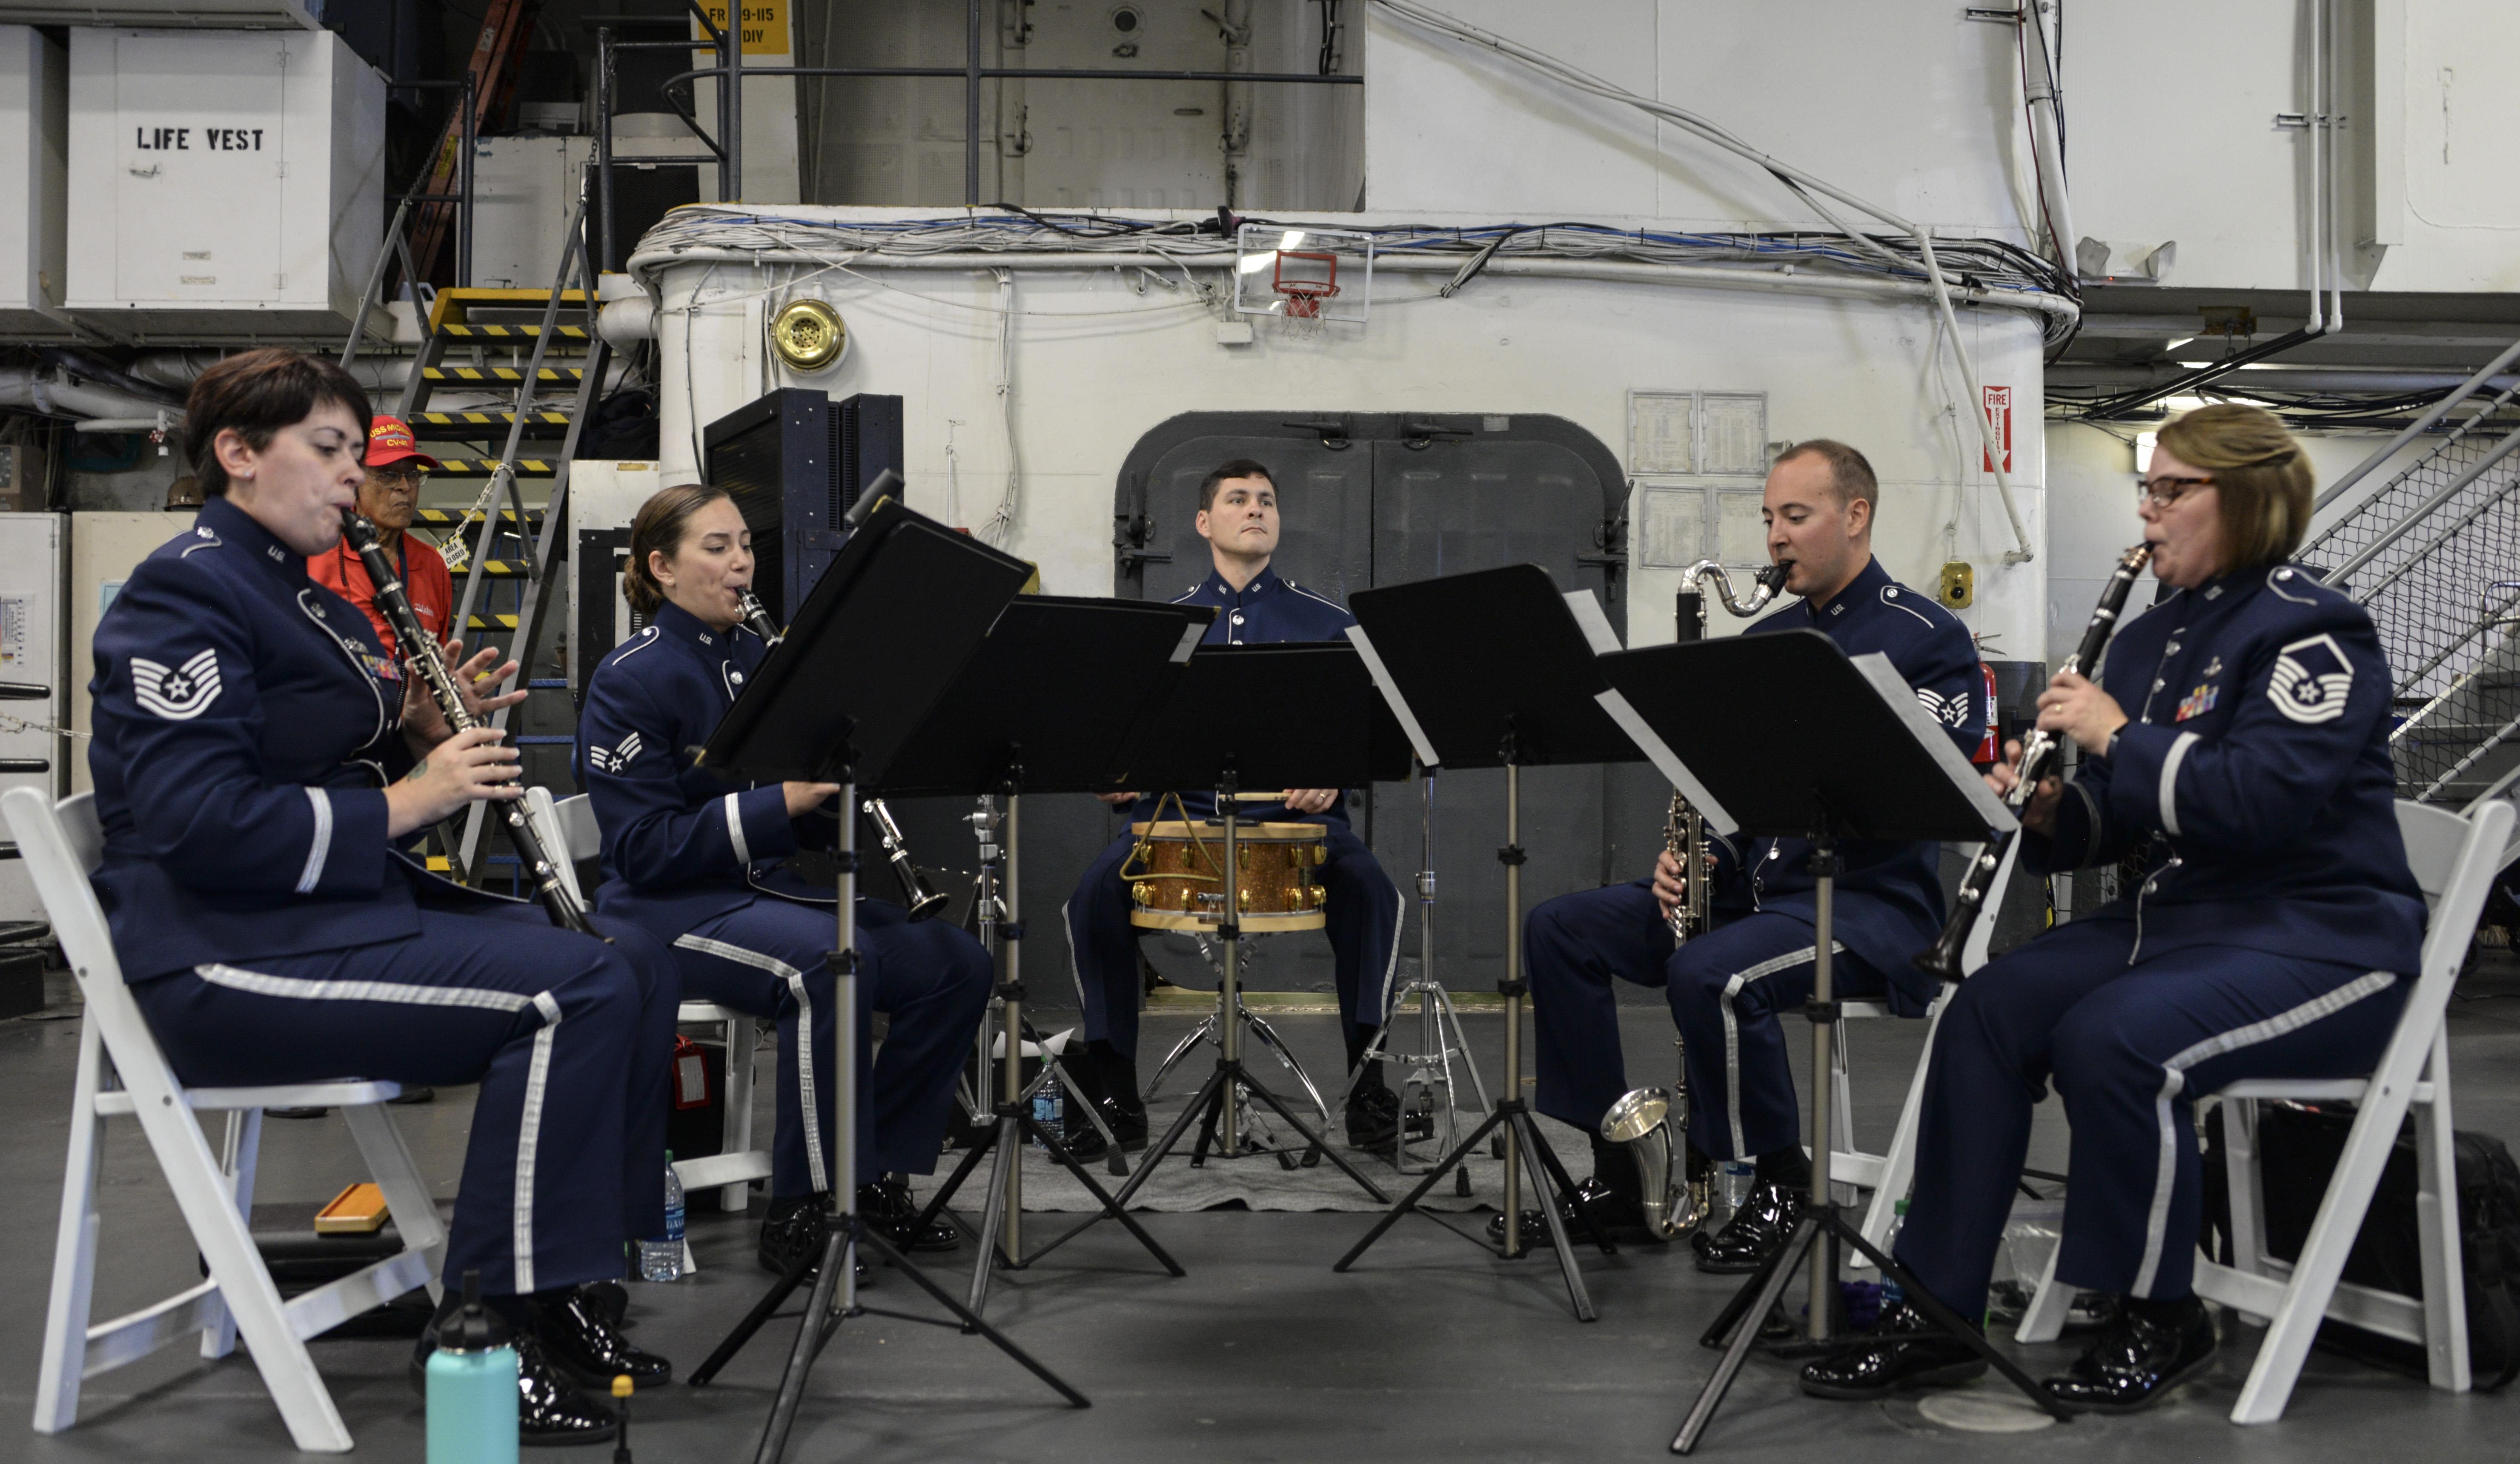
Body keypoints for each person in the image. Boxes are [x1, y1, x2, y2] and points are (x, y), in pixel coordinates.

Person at [89, 348, 677, 1444]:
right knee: (578, 990)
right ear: (238, 453)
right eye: (327, 453)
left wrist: (416, 720)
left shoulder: (294, 591)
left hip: (317, 917)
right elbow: (197, 820)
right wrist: (416, 795)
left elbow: (322, 736)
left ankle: (571, 1286)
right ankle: (487, 1332)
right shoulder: (187, 589)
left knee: (633, 958)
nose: (351, 483)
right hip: (221, 953)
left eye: (356, 458)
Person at [1801, 405, 2427, 1412]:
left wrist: (2112, 733)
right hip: (2181, 922)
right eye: (2147, 488)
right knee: (1984, 1013)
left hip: (2322, 934)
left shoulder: (2311, 627)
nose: (2146, 510)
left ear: (2249, 496)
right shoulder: (2142, 641)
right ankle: (1939, 1308)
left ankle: (2157, 1310)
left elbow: (2253, 803)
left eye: (2170, 490)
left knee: (2114, 1039)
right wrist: (2053, 808)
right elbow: (2125, 826)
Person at [1506, 440, 1984, 1253]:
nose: (1775, 537)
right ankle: (1625, 1173)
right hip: (1756, 897)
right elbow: (1735, 793)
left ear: (1856, 515)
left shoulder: (1929, 636)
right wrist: (1704, 858)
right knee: (1562, 928)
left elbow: (1927, 785)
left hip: (1869, 908)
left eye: (1796, 516)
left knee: (1712, 970)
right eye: (1770, 518)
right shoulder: (1770, 636)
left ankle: (1779, 1179)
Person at [575, 482, 994, 1275]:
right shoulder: (632, 677)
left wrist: (847, 784)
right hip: (665, 909)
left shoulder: (761, 660)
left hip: (759, 892)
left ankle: (874, 1180)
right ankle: (805, 1206)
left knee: (955, 963)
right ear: (661, 567)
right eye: (717, 548)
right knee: (829, 967)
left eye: (745, 545)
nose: (741, 564)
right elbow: (640, 849)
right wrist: (782, 803)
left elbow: (793, 810)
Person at [1060, 459, 1411, 1155]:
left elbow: (1369, 735)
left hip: (1297, 827)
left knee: (1374, 889)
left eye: (1267, 501)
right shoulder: (1165, 627)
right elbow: (1115, 743)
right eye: (1239, 499)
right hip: (1176, 824)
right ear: (1204, 521)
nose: (1256, 509)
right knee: (1092, 895)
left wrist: (1336, 774)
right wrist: (1117, 773)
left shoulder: (1333, 622)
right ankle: (1111, 1084)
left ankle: (1369, 1080)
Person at [305, 415, 453, 661]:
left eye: (412, 475)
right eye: (388, 475)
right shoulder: (315, 555)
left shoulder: (431, 565)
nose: (405, 487)